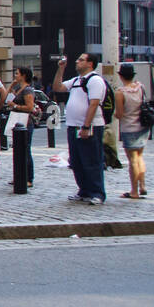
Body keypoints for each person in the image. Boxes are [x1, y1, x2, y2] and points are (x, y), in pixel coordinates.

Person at [53, 53, 107, 205]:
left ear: (90, 64)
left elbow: (94, 104)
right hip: (73, 126)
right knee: (77, 161)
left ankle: (97, 192)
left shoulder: (95, 80)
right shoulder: (77, 80)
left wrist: (86, 126)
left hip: (89, 127)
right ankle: (84, 190)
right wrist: (61, 70)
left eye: (81, 60)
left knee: (91, 160)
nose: (77, 62)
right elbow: (58, 87)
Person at [114, 63, 148, 199]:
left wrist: (115, 114)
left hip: (129, 128)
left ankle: (134, 191)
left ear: (120, 76)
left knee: (132, 159)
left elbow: (120, 114)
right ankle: (142, 186)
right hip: (143, 125)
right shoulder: (141, 87)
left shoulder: (120, 93)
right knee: (140, 157)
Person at [5, 66, 36, 188]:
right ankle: (19, 175)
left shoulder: (27, 90)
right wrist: (11, 86)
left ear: (23, 75)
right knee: (17, 149)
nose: (15, 75)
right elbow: (6, 98)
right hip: (16, 120)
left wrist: (16, 106)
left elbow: (29, 107)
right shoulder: (18, 89)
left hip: (25, 121)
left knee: (25, 149)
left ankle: (28, 177)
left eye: (17, 73)